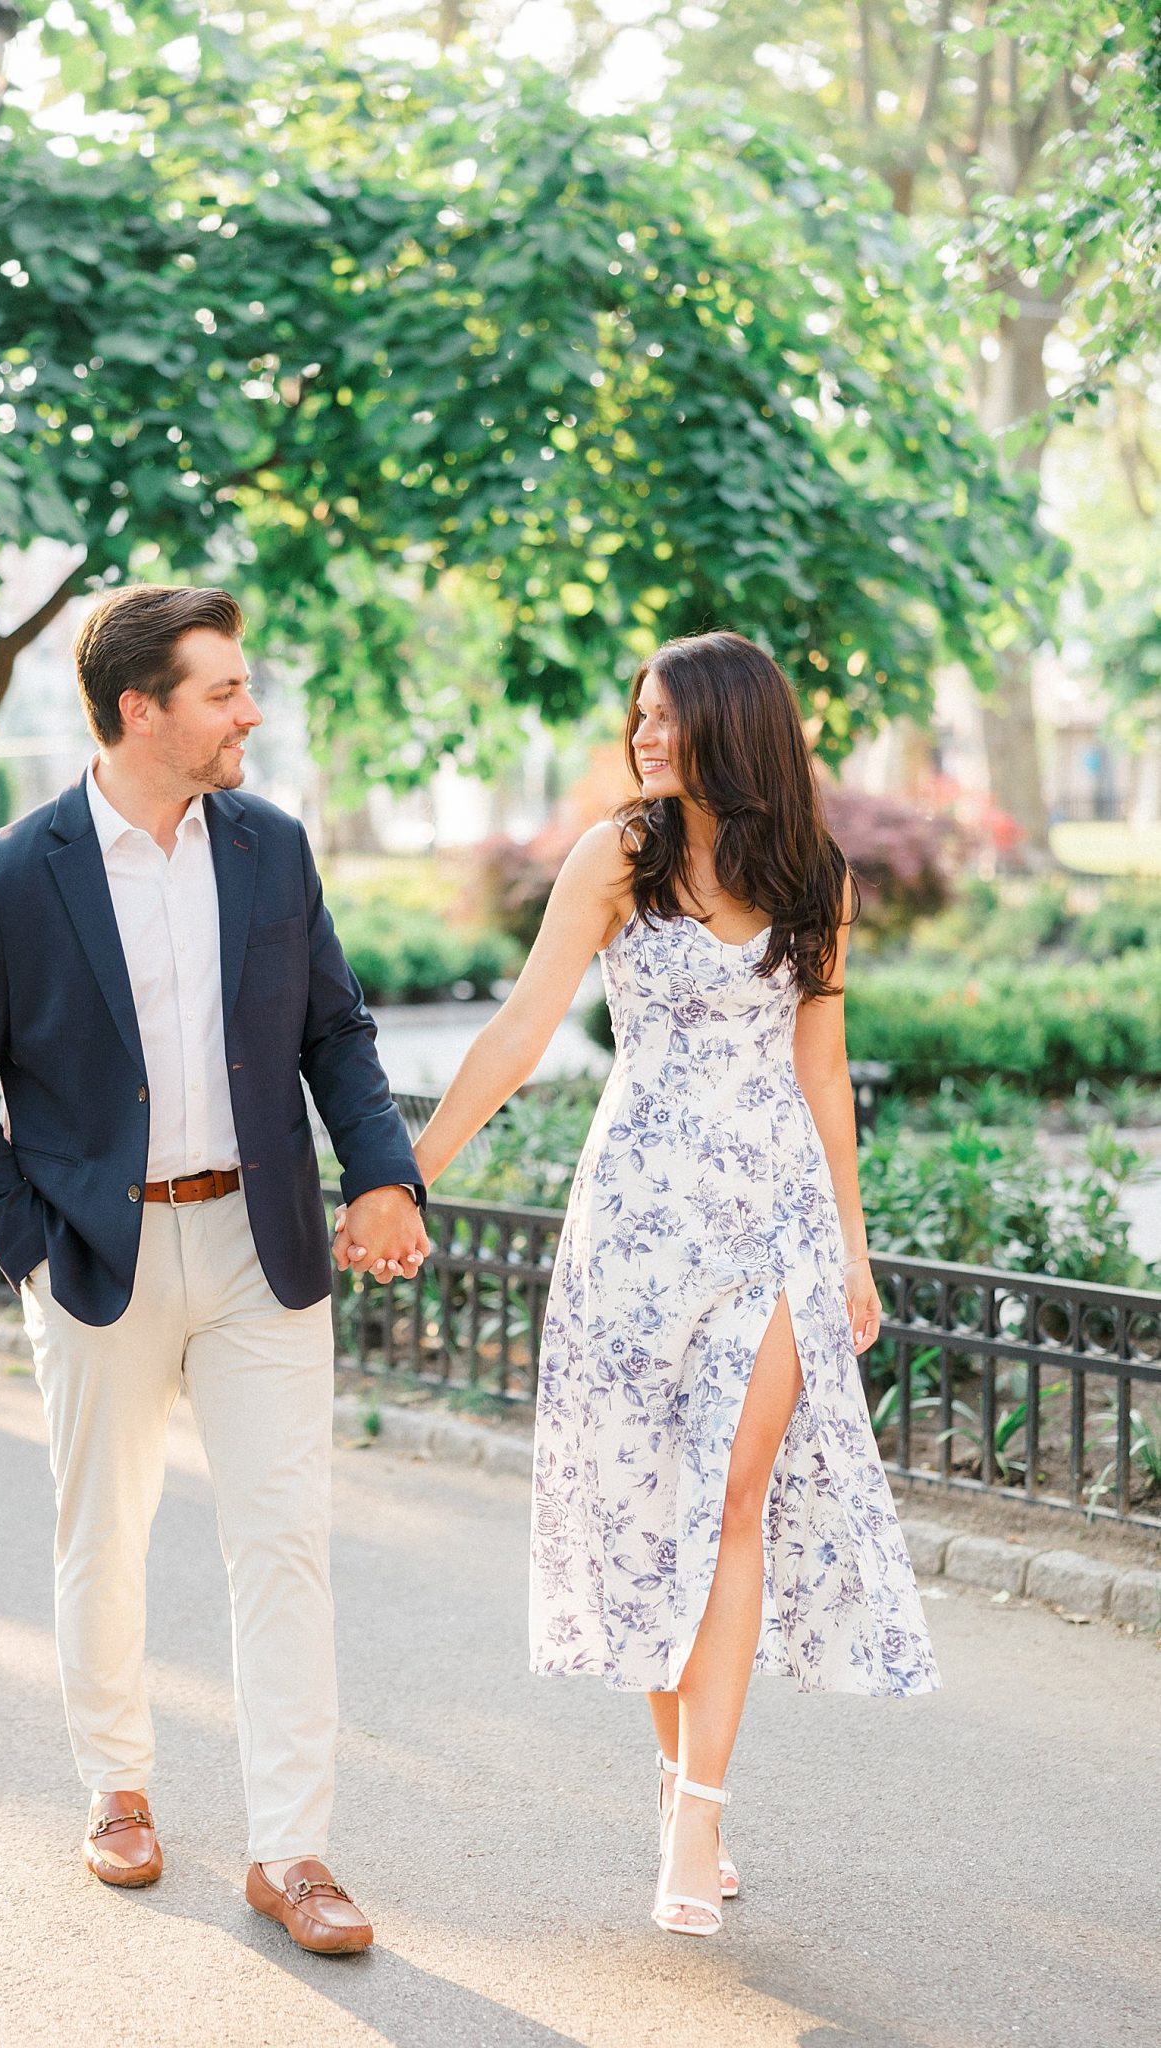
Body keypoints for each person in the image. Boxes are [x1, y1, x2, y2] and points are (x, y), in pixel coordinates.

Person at [341, 630, 939, 1938]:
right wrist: (407, 1172)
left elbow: (821, 1066)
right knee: (652, 1512)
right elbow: (521, 1024)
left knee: (729, 1500)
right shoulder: (618, 855)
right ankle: (678, 1781)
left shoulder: (810, 876)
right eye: (638, 714)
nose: (644, 734)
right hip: (632, 1222)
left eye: (666, 715)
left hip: (768, 1226)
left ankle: (698, 1814)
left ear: (734, 724)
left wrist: (848, 1241)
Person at [0, 584, 429, 1955]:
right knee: (108, 1537)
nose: (247, 712)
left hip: (262, 1249)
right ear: (142, 710)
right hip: (101, 1254)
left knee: (284, 1547)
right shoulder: (18, 872)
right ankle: (117, 1790)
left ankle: (291, 1853)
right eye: (222, 692)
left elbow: (337, 1032)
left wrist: (379, 1169)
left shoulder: (269, 846)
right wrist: (32, 1248)